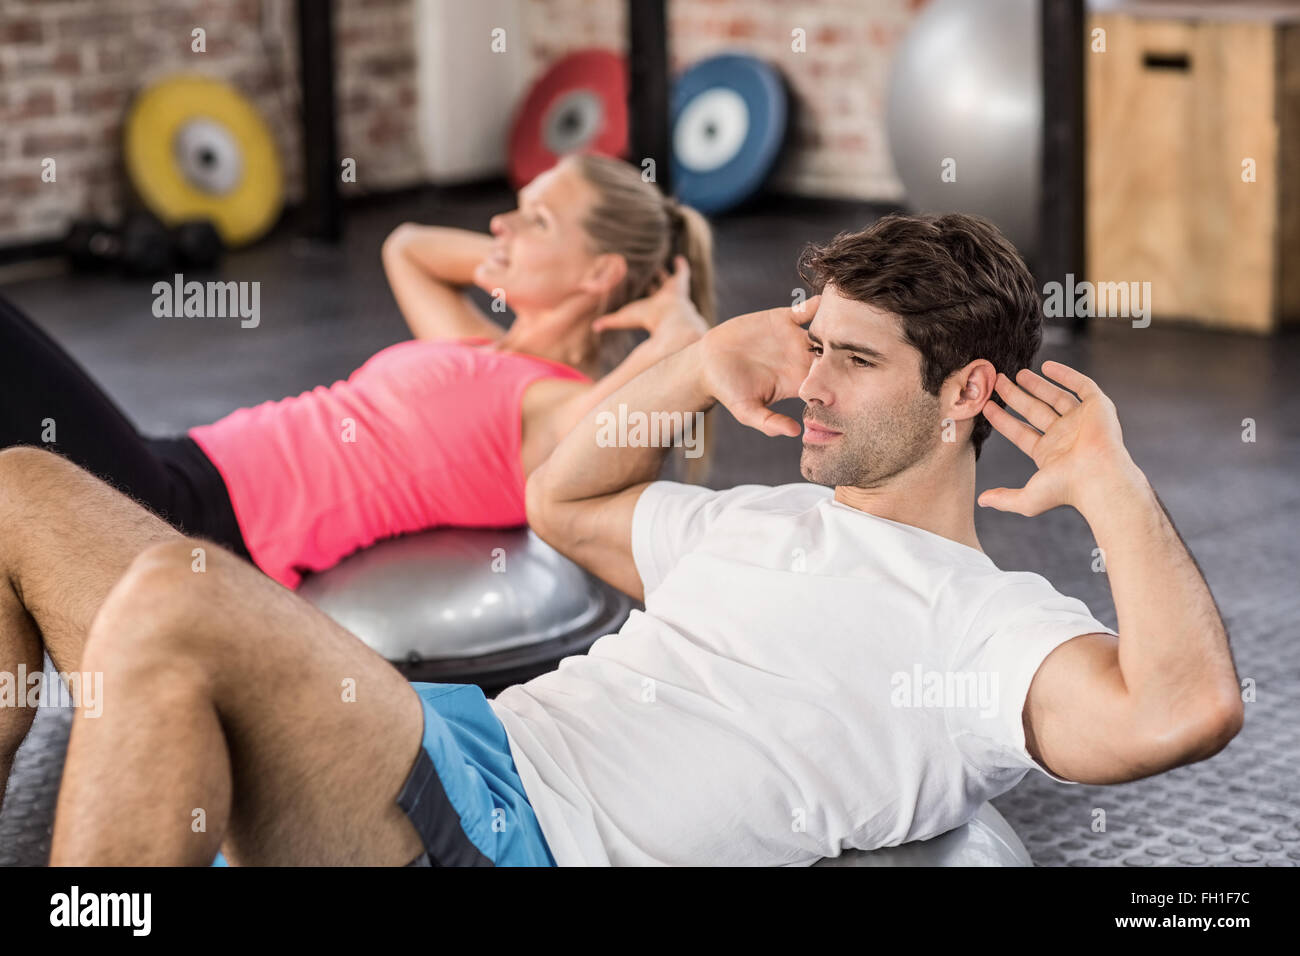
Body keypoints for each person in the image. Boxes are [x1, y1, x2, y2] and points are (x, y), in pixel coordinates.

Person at [0, 213, 1240, 867]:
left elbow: (1177, 710)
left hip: (518, 837)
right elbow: (563, 499)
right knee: (19, 485)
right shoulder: (754, 521)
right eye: (812, 345)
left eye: (853, 361)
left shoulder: (979, 623)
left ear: (966, 392)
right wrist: (701, 361)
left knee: (176, 596)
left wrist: (1110, 483)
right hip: (451, 750)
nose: (811, 385)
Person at [0, 153, 714, 588]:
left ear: (599, 273)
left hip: (194, 523)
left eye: (538, 222)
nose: (501, 225)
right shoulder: (480, 346)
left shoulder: (557, 408)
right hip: (185, 459)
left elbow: (652, 394)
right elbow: (408, 247)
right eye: (517, 210)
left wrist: (677, 324)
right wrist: (519, 262)